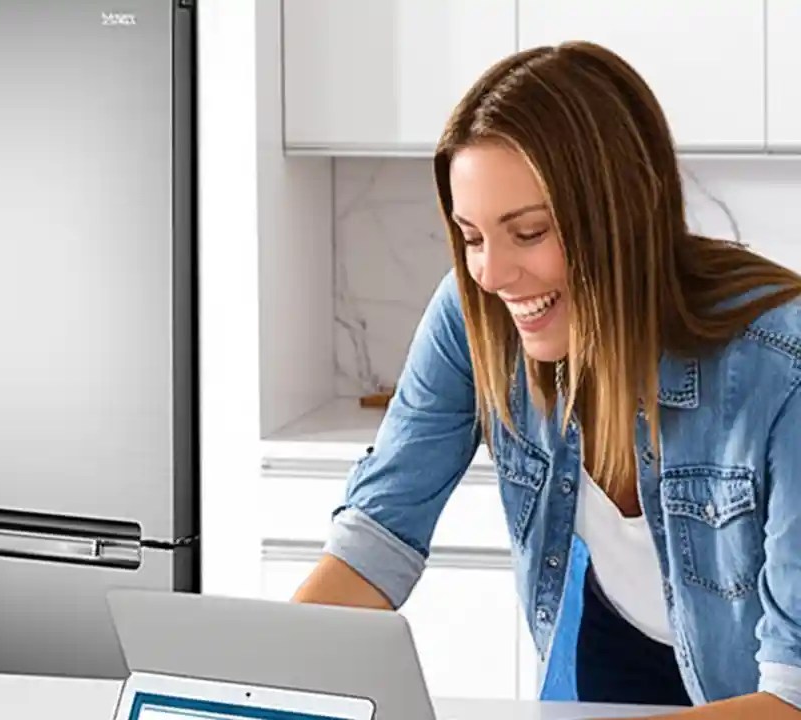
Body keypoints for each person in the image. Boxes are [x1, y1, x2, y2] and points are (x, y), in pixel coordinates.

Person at [291, 40, 801, 718]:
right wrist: (263, 693)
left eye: (528, 232)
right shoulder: (474, 316)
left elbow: (789, 698)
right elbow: (375, 542)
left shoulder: (778, 370)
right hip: (614, 653)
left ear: (623, 217)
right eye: (471, 236)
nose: (493, 275)